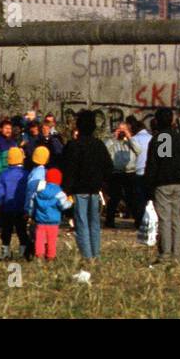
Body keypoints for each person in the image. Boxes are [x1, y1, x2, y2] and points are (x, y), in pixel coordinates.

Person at [61, 109, 113, 264]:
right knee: (94, 223)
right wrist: (103, 184)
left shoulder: (73, 145)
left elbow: (68, 169)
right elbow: (109, 166)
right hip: (95, 190)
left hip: (79, 190)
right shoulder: (99, 145)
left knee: (81, 223)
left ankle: (87, 256)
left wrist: (66, 189)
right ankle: (95, 255)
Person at [145, 107, 180, 263]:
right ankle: (176, 253)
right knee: (175, 218)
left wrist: (149, 184)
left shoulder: (157, 139)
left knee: (164, 218)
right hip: (179, 182)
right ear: (172, 121)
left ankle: (165, 253)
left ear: (157, 121)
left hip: (162, 183)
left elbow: (153, 164)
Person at [0, 146, 32, 260]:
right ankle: (23, 252)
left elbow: (0, 193)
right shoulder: (26, 174)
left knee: (6, 231)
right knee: (22, 231)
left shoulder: (3, 175)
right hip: (21, 208)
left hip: (7, 208)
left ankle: (5, 252)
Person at [30, 167, 73, 260]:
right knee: (51, 240)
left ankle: (39, 255)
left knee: (39, 239)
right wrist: (70, 201)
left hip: (40, 220)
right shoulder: (59, 193)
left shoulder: (39, 191)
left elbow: (32, 203)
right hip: (53, 221)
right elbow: (64, 206)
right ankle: (50, 256)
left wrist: (30, 213)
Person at [104, 120, 141, 228]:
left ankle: (137, 220)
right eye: (119, 129)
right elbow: (105, 151)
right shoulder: (112, 141)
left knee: (132, 198)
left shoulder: (131, 142)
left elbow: (139, 150)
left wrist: (129, 137)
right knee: (114, 197)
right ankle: (109, 221)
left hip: (130, 172)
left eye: (123, 130)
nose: (121, 132)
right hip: (116, 173)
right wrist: (114, 138)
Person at [129, 117, 152, 231]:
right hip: (149, 172)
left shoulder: (134, 139)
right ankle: (150, 221)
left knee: (139, 200)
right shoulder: (152, 138)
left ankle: (139, 221)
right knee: (149, 199)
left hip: (138, 172)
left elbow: (134, 154)